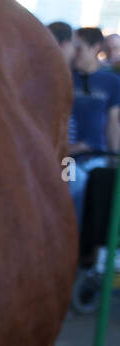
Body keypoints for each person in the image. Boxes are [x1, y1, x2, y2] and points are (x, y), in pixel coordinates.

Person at [69, 27, 120, 221]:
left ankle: (90, 246)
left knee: (100, 197)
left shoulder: (111, 81)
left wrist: (114, 156)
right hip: (68, 157)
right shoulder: (65, 77)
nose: (74, 53)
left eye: (79, 47)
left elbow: (113, 123)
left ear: (95, 48)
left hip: (97, 155)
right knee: (72, 185)